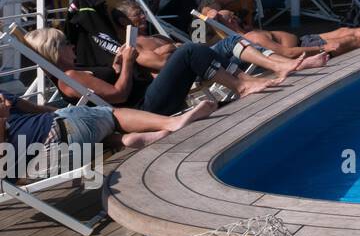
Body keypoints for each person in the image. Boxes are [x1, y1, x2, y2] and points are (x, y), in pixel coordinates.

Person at [24, 27, 284, 117]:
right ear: (55, 52)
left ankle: (246, 80)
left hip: (148, 97)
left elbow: (110, 86)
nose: (72, 45)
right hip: (145, 107)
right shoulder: (69, 80)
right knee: (189, 52)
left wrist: (116, 66)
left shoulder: (74, 71)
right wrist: (127, 63)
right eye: (66, 43)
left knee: (200, 50)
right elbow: (119, 96)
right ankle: (242, 85)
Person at [2, 89, 219, 158]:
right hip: (62, 133)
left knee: (81, 121)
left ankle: (122, 139)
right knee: (111, 114)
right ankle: (172, 122)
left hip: (50, 160)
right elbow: (37, 110)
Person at [203, 4, 360, 58]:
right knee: (352, 39)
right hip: (306, 49)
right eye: (230, 17)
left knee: (345, 29)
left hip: (304, 39)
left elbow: (205, 10)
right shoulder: (249, 38)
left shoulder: (241, 31)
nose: (235, 17)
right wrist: (323, 48)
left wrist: (212, 13)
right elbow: (285, 54)